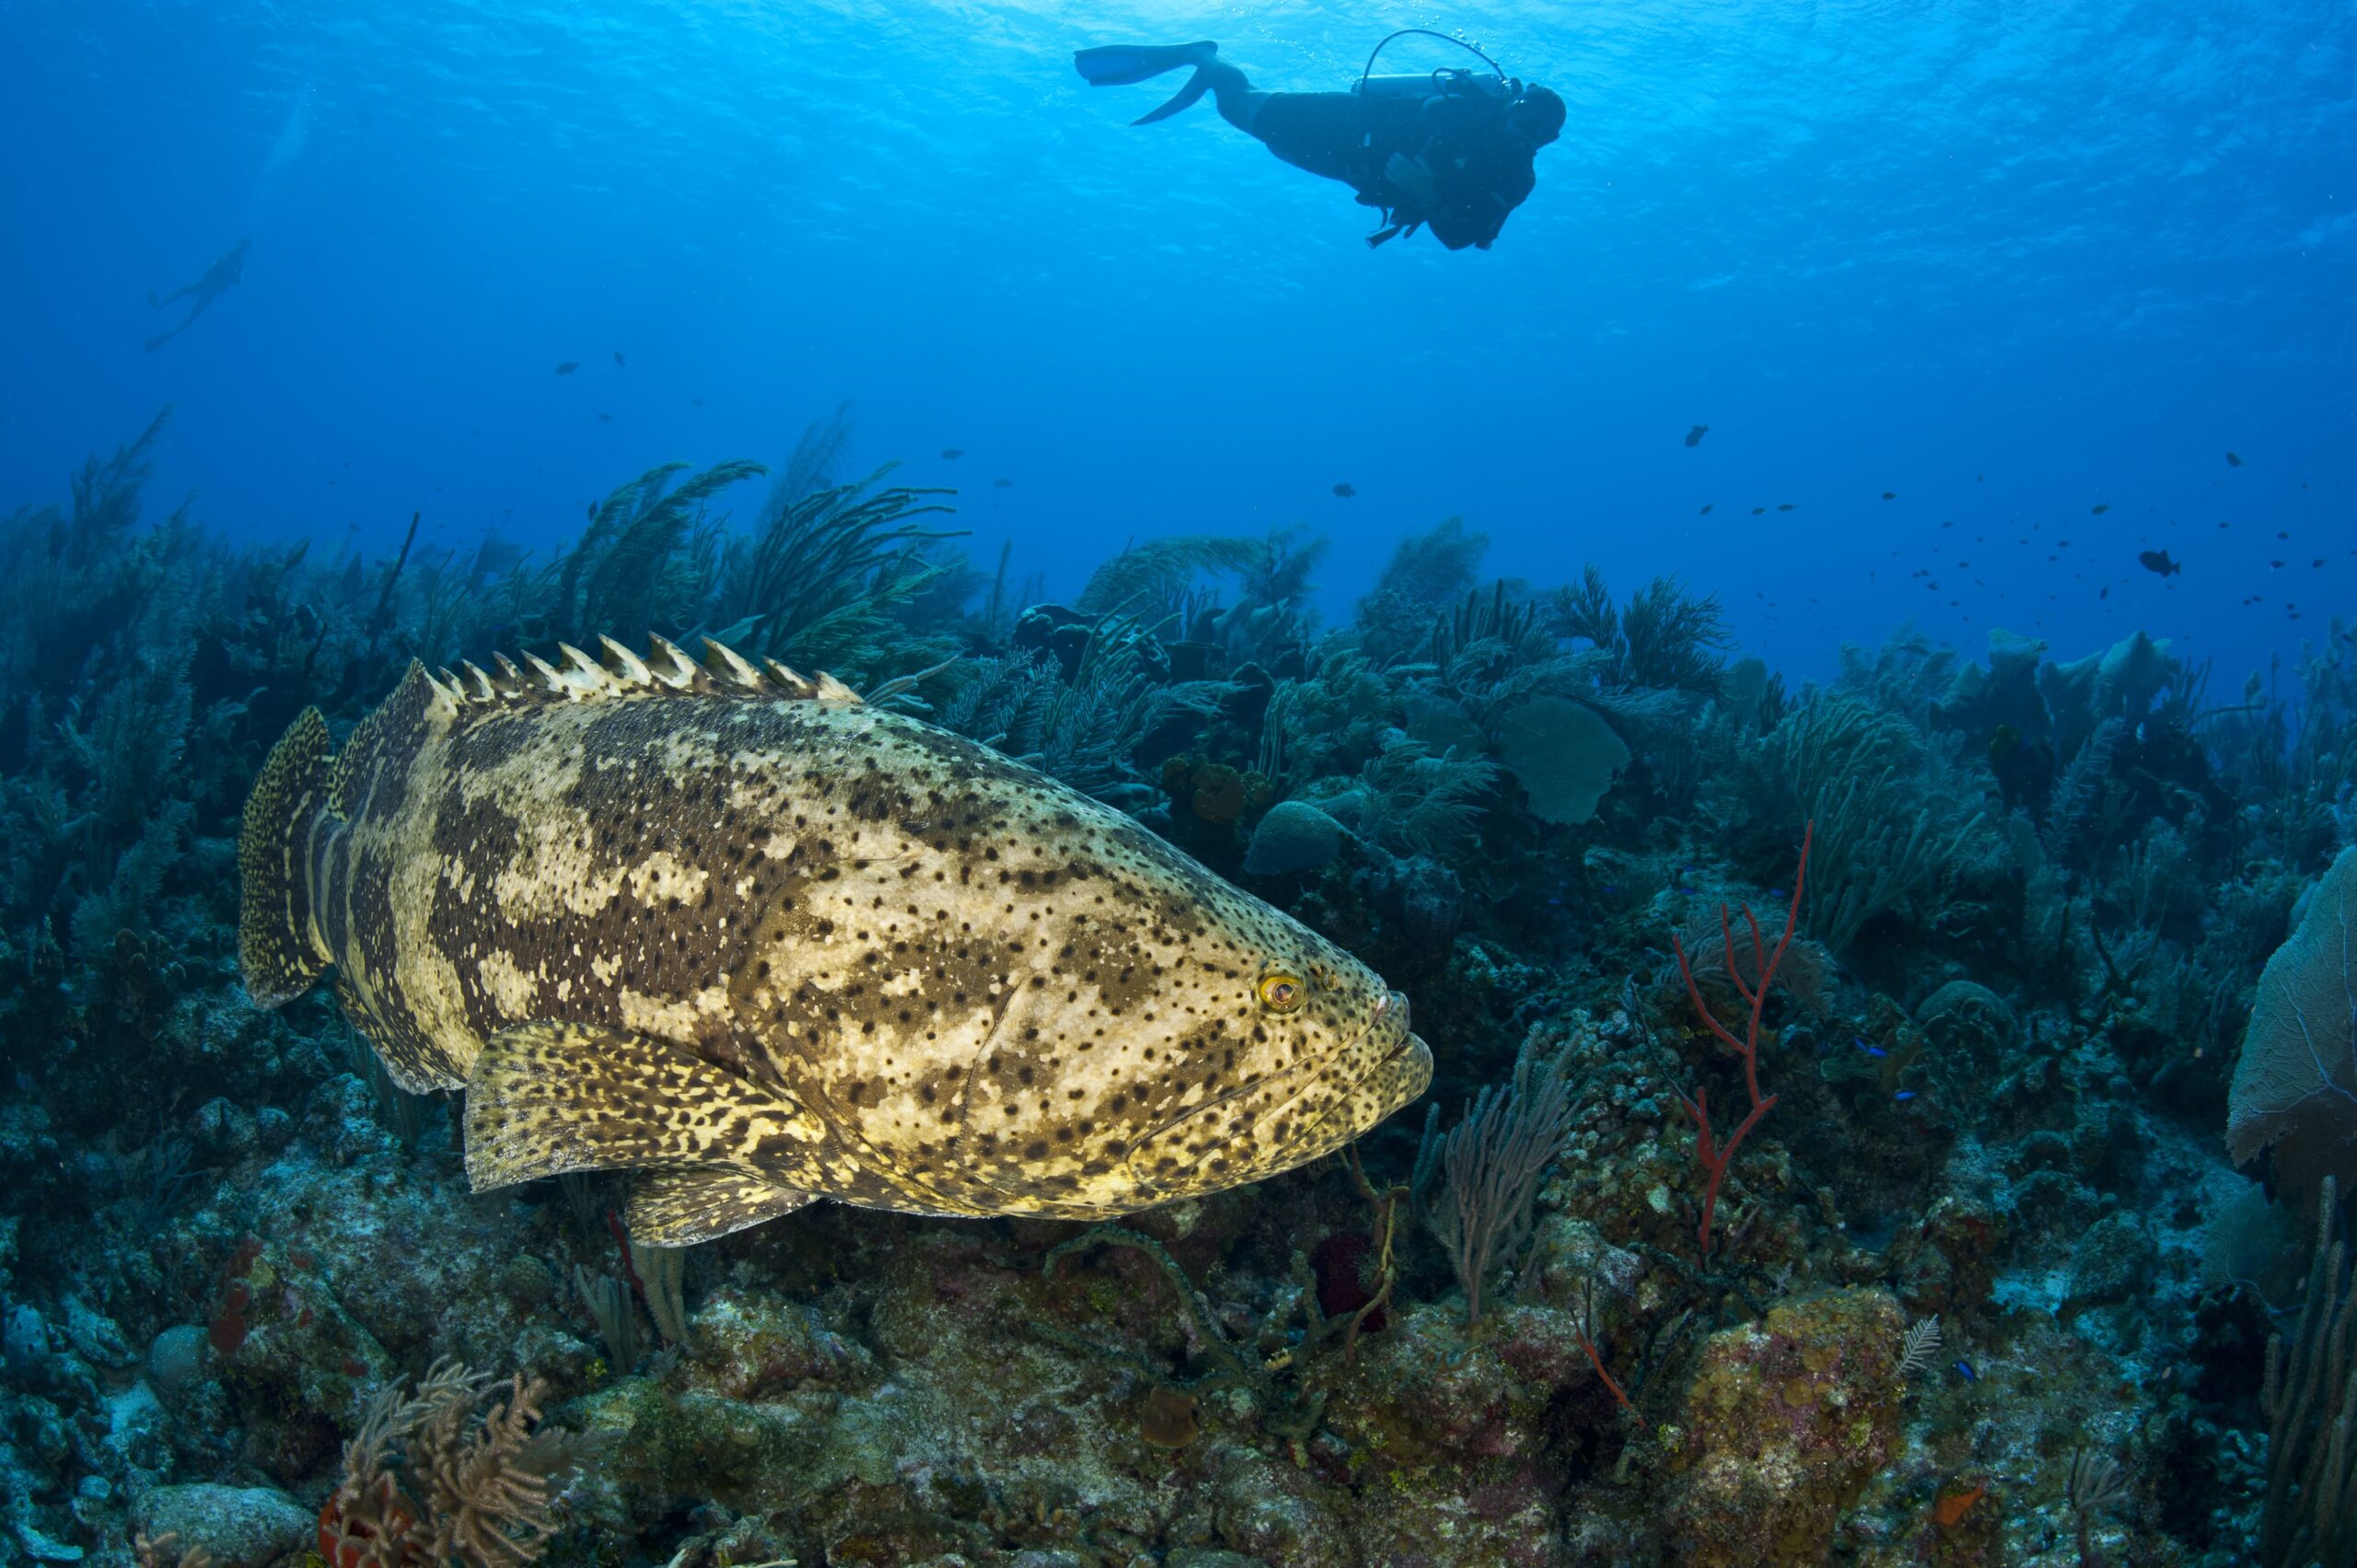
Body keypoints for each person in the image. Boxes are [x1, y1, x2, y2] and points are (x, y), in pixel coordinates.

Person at [1074, 41, 1563, 250]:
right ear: (1513, 107)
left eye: (1532, 132)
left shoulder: (1517, 177)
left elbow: (1460, 240)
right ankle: (1204, 56)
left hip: (1354, 168)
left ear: (1545, 140)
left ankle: (1205, 63)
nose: (1517, 133)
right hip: (1353, 121)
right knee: (1238, 107)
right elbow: (1424, 114)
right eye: (1520, 117)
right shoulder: (1471, 109)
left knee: (1248, 123)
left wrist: (1430, 193)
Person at [145, 239, 250, 353]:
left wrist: (231, 270)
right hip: (206, 282)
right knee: (183, 293)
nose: (240, 248)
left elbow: (238, 281)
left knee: (191, 313)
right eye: (241, 245)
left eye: (243, 247)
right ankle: (160, 308)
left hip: (211, 290)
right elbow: (217, 266)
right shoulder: (229, 254)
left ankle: (167, 334)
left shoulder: (239, 264)